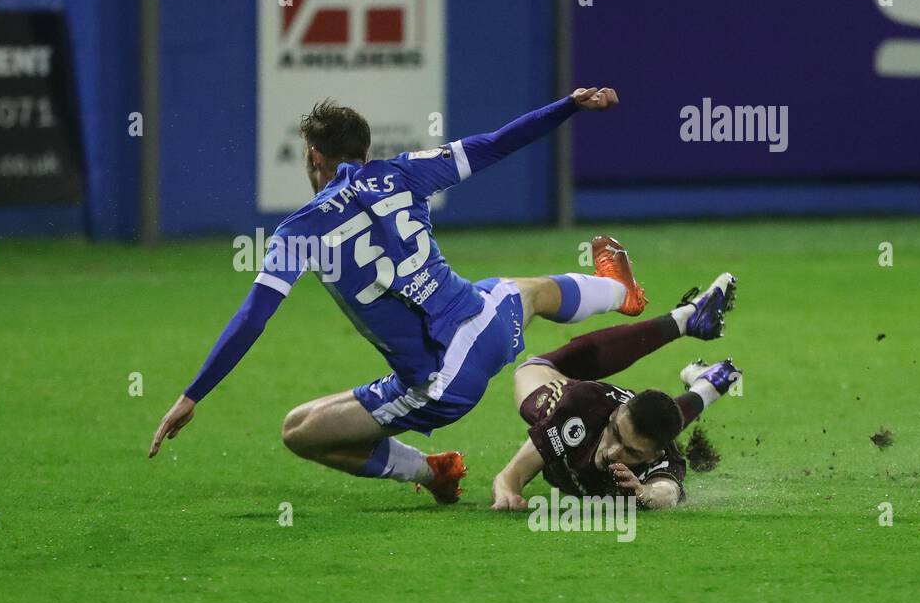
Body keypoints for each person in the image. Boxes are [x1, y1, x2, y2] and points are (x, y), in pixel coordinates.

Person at [149, 88, 647, 505]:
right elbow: (498, 144)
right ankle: (617, 289)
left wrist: (193, 395)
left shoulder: (299, 232)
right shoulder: (405, 172)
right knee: (529, 291)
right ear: (364, 151)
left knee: (299, 431)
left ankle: (434, 472)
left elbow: (252, 319)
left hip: (441, 382)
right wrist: (570, 105)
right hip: (484, 324)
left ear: (314, 158)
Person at [490, 273, 741, 511]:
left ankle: (710, 381)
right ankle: (686, 323)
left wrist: (643, 493)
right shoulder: (580, 409)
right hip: (576, 397)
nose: (612, 451)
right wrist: (508, 493)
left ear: (655, 455)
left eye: (631, 452)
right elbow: (510, 477)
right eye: (615, 433)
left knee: (663, 424)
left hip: (635, 423)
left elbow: (667, 492)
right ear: (618, 412)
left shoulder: (664, 459)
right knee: (528, 370)